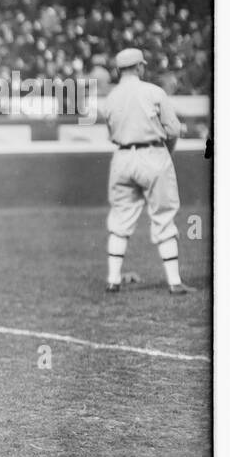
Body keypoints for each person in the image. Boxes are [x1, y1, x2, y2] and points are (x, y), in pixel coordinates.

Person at [99, 48, 189, 295]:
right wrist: (165, 153)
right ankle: (174, 282)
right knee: (164, 216)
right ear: (139, 67)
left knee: (120, 219)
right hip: (153, 154)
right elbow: (172, 130)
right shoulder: (153, 92)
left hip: (123, 156)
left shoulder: (110, 98)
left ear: (118, 70)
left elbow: (112, 134)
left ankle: (113, 279)